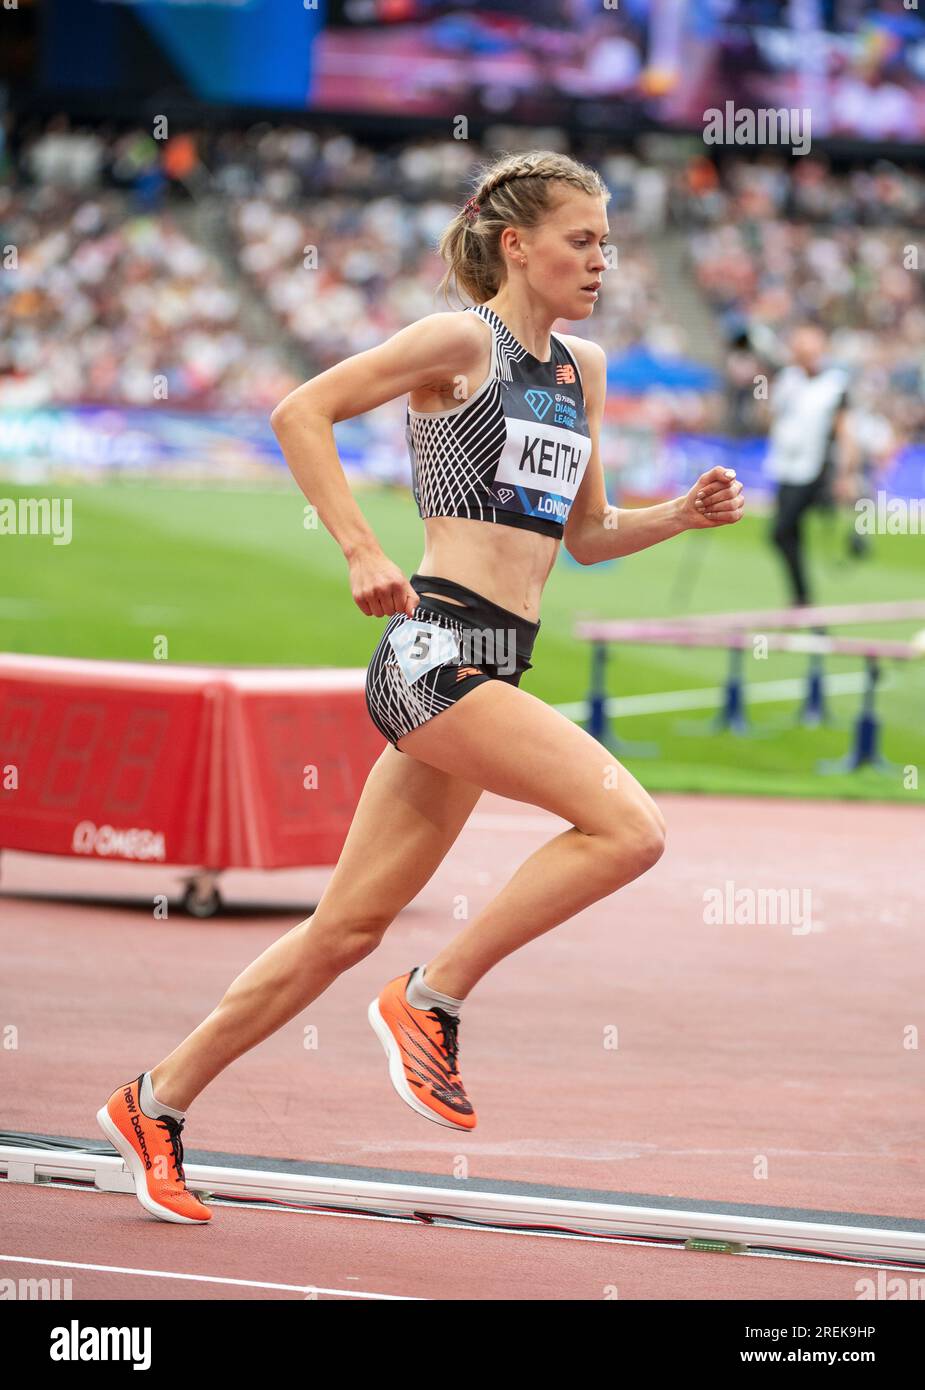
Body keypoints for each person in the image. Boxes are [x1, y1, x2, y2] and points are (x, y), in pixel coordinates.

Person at [96, 149, 745, 1224]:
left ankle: (153, 1101)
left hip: (493, 664)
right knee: (628, 829)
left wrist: (675, 513)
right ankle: (430, 997)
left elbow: (581, 535)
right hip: (431, 655)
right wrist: (358, 547)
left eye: (606, 242)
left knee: (341, 931)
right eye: (581, 241)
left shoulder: (579, 368)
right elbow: (301, 410)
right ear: (516, 246)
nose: (602, 261)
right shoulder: (461, 342)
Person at [766, 324, 857, 607]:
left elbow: (845, 432)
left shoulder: (835, 385)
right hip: (786, 467)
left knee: (782, 530)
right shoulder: (786, 380)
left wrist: (847, 473)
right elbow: (772, 418)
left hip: (815, 470)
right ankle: (802, 598)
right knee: (785, 534)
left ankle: (803, 597)